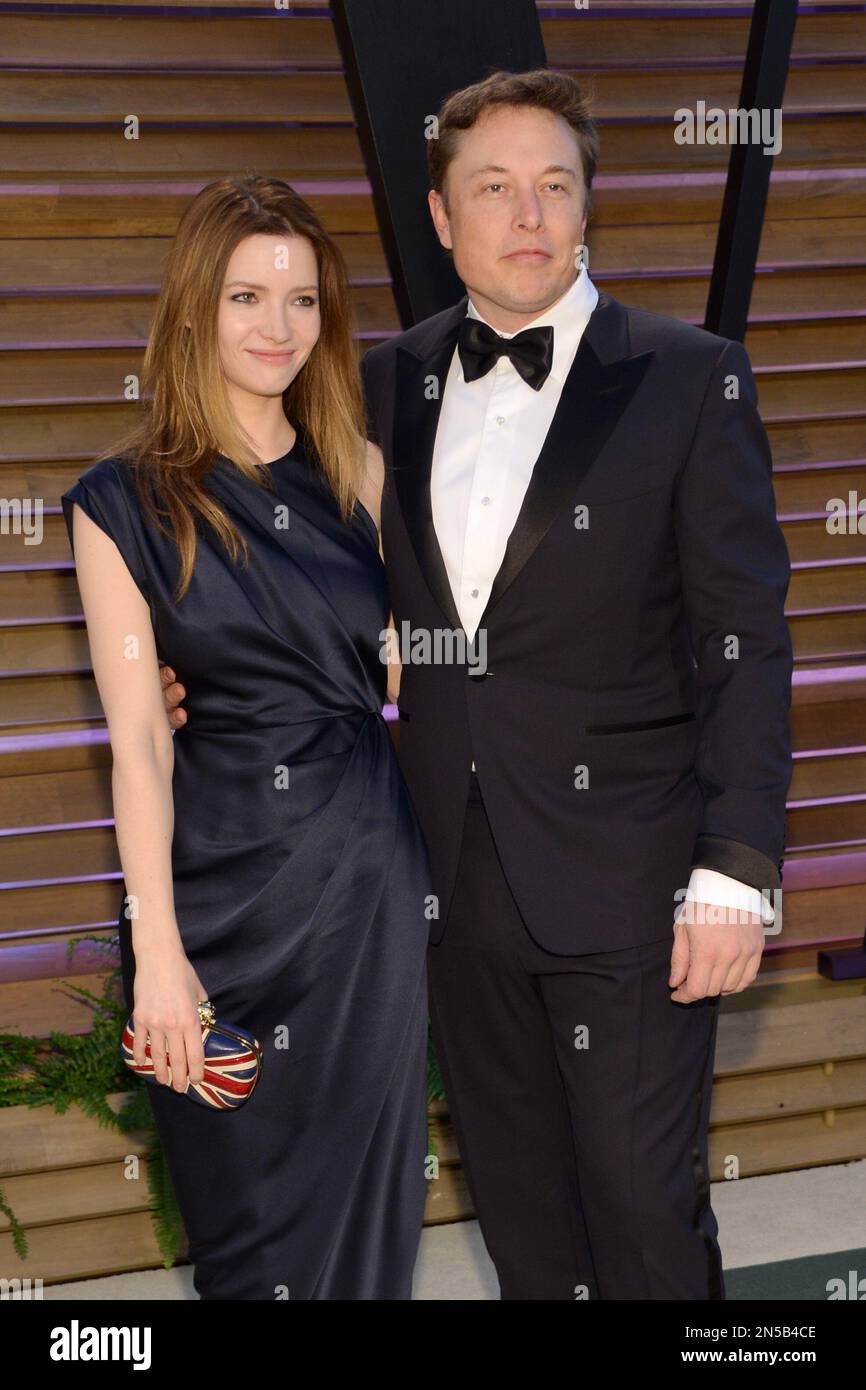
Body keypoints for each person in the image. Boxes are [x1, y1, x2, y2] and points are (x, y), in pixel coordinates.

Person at [165, 72, 793, 1301]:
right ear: (441, 220)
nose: (527, 215)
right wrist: (208, 685)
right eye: (492, 189)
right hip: (440, 881)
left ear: (584, 208)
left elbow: (743, 641)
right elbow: (304, 592)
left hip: (635, 880)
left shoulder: (689, 377)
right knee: (520, 1209)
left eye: (553, 186)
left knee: (642, 1206)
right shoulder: (373, 386)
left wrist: (737, 871)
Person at [62, 173, 431, 1300]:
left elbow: (422, 692)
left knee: (363, 1239)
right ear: (191, 310)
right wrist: (158, 954)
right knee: (242, 1246)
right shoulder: (118, 501)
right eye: (245, 297)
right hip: (210, 908)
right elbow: (138, 740)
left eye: (303, 300)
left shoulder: (363, 474)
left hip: (363, 892)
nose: (278, 327)